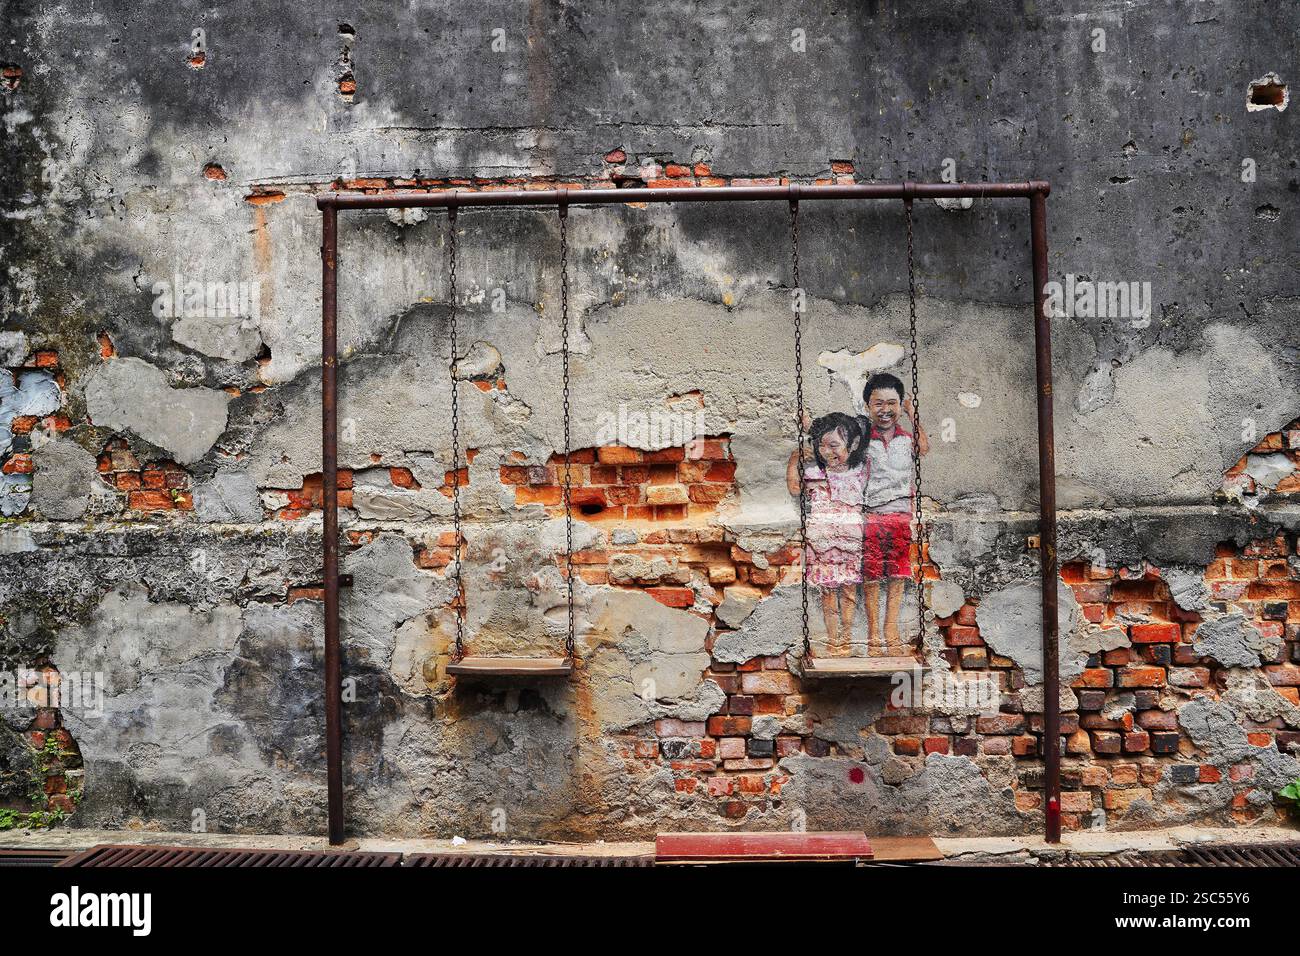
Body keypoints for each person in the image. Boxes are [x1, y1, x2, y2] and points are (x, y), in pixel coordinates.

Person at [856, 373, 929, 656]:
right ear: (867, 406)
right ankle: (874, 634)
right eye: (878, 404)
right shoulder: (861, 441)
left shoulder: (907, 439)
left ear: (900, 406)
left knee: (898, 573)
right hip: (872, 515)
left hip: (900, 515)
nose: (885, 410)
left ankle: (892, 631)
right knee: (873, 574)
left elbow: (924, 448)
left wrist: (914, 414)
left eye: (892, 403)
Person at [785, 413, 866, 655]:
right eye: (822, 446)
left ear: (851, 447)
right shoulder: (815, 474)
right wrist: (795, 457)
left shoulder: (859, 471)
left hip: (850, 542)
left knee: (849, 591)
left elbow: (866, 433)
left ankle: (848, 637)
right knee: (828, 592)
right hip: (822, 544)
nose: (828, 451)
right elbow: (794, 487)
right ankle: (832, 640)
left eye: (834, 446)